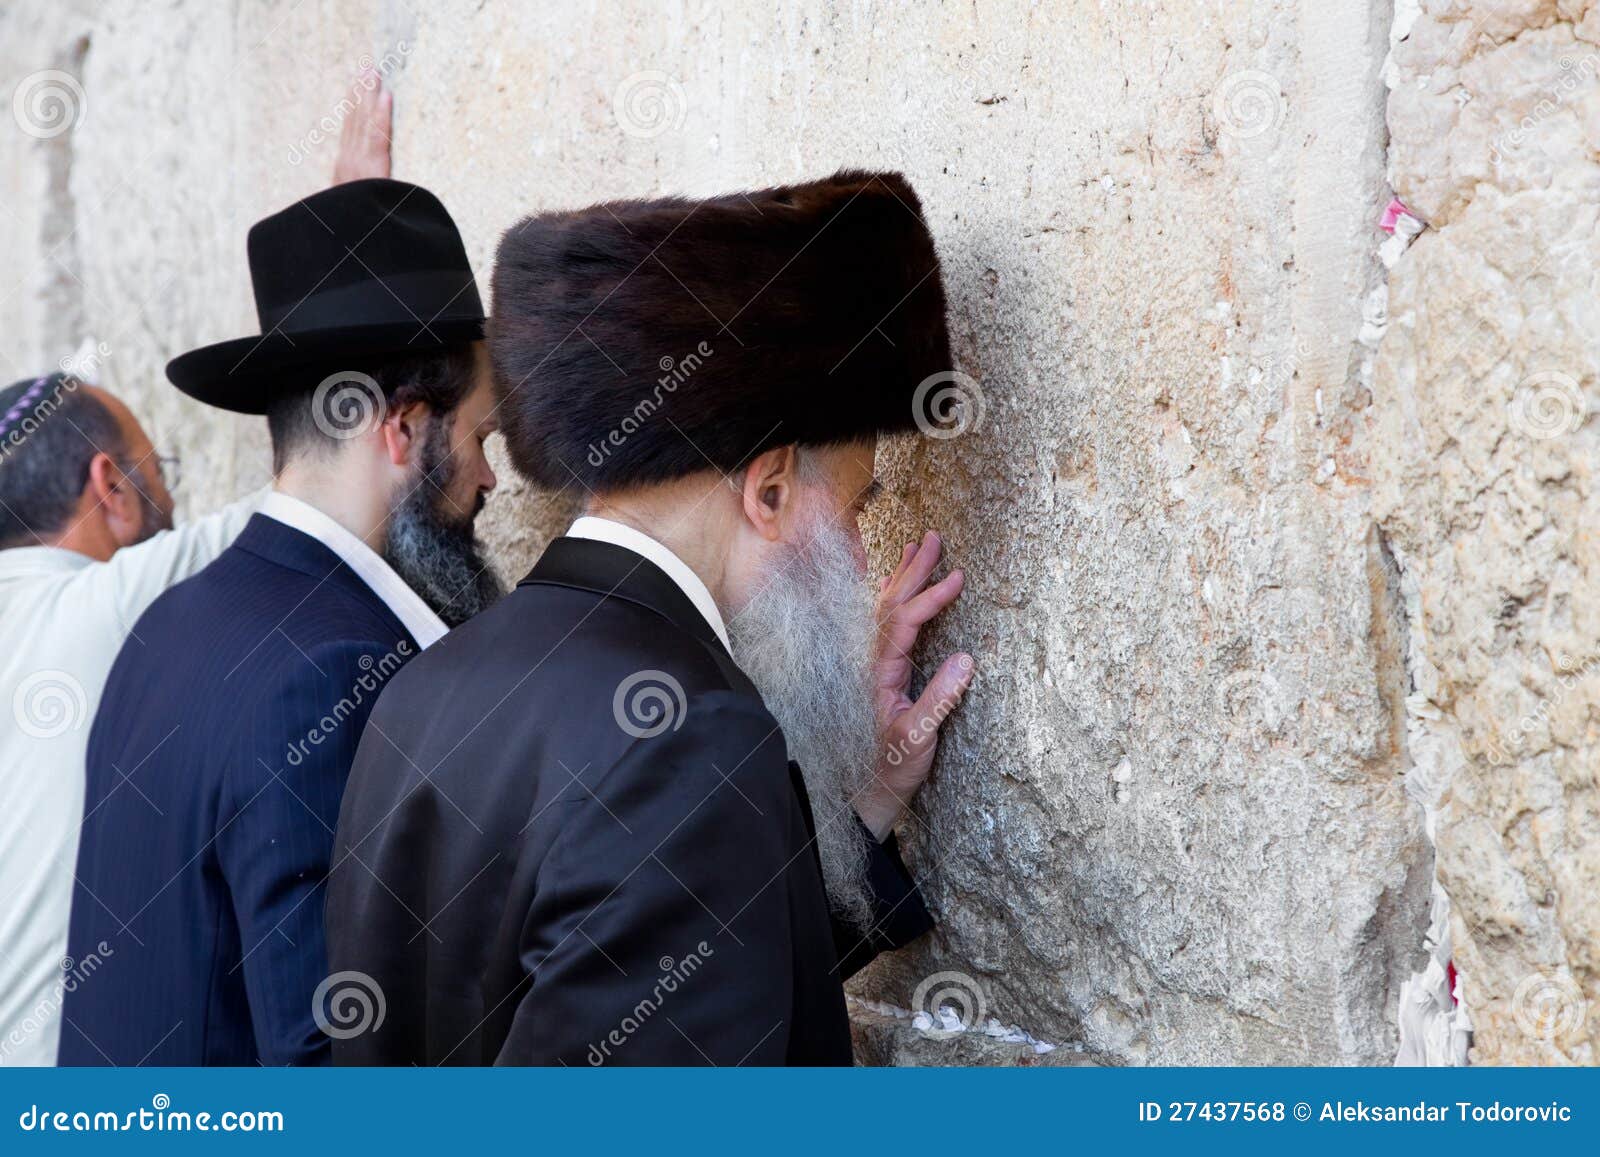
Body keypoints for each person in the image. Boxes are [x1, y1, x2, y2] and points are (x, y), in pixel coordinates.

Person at [327, 169, 974, 1065]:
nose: (860, 561)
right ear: (772, 487)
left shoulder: (431, 682)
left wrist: (863, 800)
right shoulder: (694, 741)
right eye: (857, 508)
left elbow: (655, 988)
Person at [59, 85, 503, 1066]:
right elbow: (328, 1069)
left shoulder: (175, 623)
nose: (489, 478)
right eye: (479, 436)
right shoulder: (339, 670)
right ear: (403, 428)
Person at [0, 371, 259, 1068]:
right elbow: (311, 510)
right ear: (110, 485)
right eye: (159, 471)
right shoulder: (107, 605)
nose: (170, 495)